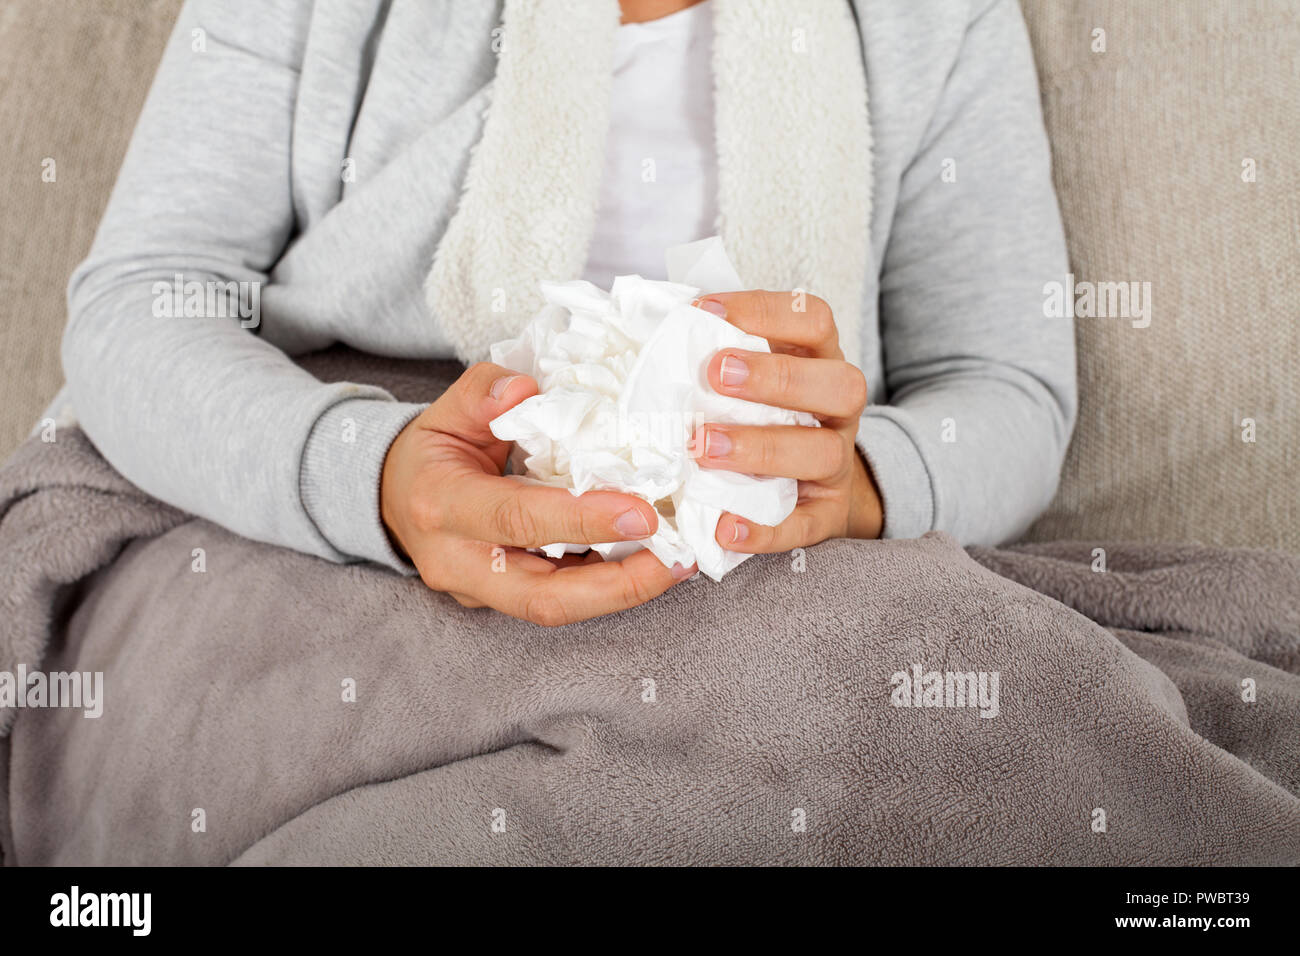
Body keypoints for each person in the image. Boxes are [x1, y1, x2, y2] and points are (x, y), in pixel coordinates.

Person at [58, 0, 1075, 625]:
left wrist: (849, 486)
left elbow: (1008, 393)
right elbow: (139, 299)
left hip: (767, 566)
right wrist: (373, 478)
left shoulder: (936, 18)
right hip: (343, 522)